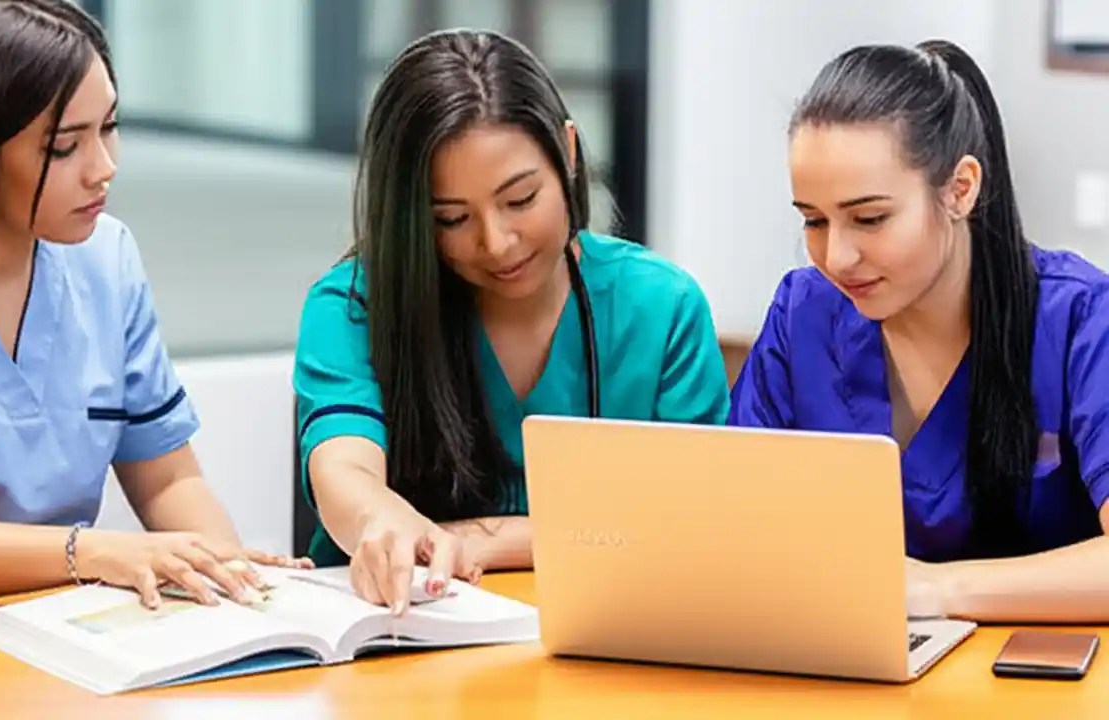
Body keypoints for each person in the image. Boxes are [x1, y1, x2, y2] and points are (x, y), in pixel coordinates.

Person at [0, 0, 305, 608]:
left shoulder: (107, 259)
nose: (103, 168)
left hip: (50, 624)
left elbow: (167, 479)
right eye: (63, 147)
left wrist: (225, 573)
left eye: (108, 128)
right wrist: (91, 552)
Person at [294, 29, 730, 613]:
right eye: (452, 219)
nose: (497, 243)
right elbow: (343, 467)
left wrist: (471, 540)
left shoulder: (661, 307)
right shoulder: (352, 306)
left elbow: (693, 521)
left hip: (605, 632)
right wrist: (380, 520)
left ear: (567, 153)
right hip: (395, 633)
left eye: (520, 200)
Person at [729, 39, 1109, 623]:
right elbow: (734, 530)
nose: (838, 256)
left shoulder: (1080, 319)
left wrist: (938, 590)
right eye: (814, 220)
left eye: (870, 218)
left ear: (960, 189)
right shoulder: (803, 314)